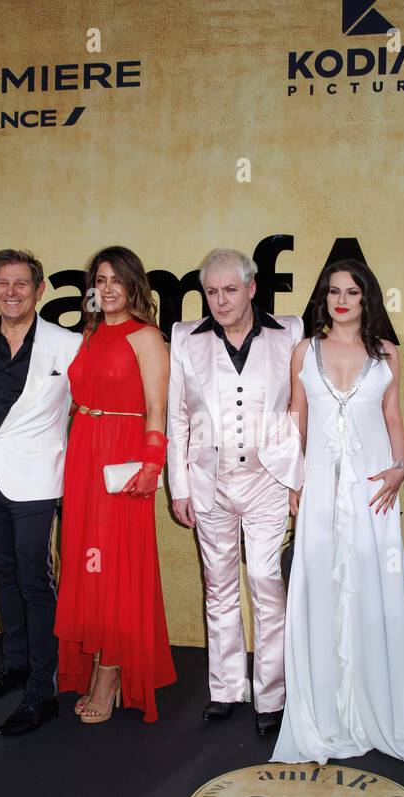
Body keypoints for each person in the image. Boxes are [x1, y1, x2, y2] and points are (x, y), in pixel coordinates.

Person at [272, 260, 404, 764]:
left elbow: (394, 417)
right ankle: (326, 714)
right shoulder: (304, 351)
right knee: (321, 591)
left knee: (373, 591)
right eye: (333, 292)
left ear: (367, 299)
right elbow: (295, 419)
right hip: (320, 489)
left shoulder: (387, 352)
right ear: (323, 298)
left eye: (352, 292)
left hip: (374, 491)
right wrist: (292, 481)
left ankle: (381, 706)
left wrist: (400, 467)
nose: (341, 300)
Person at [167, 249, 303, 736]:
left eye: (230, 290)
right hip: (210, 481)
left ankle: (272, 695)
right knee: (218, 586)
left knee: (267, 583)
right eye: (211, 292)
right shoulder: (185, 337)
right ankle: (225, 689)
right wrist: (179, 485)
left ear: (251, 287)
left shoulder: (290, 333)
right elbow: (177, 415)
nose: (220, 301)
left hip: (269, 481)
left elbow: (302, 409)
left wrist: (299, 477)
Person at [0, 249, 82, 736]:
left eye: (21, 284)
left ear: (40, 289)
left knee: (34, 579)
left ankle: (42, 689)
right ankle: (13, 667)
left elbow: (86, 409)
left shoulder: (67, 344)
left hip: (35, 480)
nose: (11, 292)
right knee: (2, 574)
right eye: (3, 284)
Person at [55, 246, 176, 723]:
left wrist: (152, 463)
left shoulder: (146, 337)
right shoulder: (88, 333)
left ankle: (111, 670)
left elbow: (157, 408)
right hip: (84, 452)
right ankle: (93, 659)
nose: (106, 289)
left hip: (122, 457)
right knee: (84, 561)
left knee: (115, 564)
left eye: (115, 280)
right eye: (99, 280)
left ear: (133, 286)